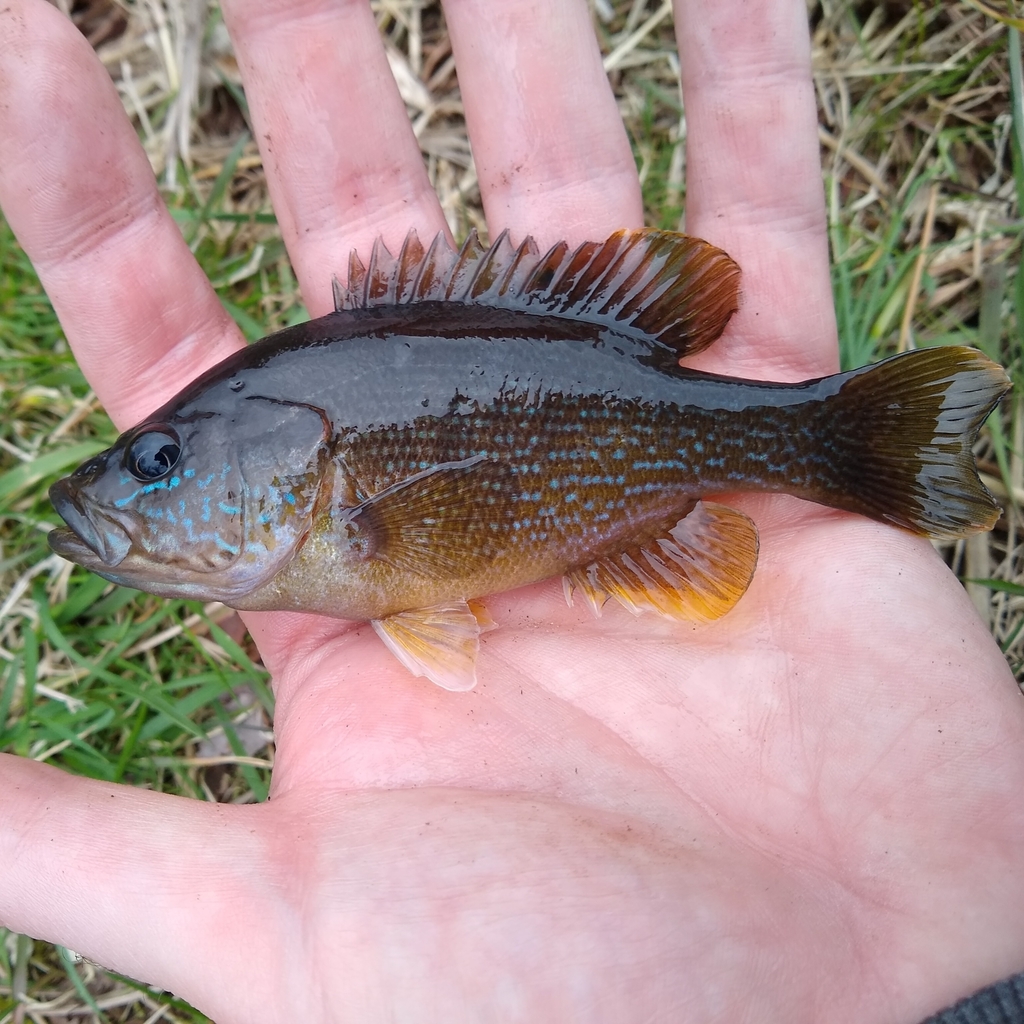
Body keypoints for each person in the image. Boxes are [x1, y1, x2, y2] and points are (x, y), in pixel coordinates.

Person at [1, 1, 1023, 1021]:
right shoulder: (327, 505)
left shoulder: (340, 515)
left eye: (159, 458)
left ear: (283, 447)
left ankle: (844, 433)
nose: (130, 485)